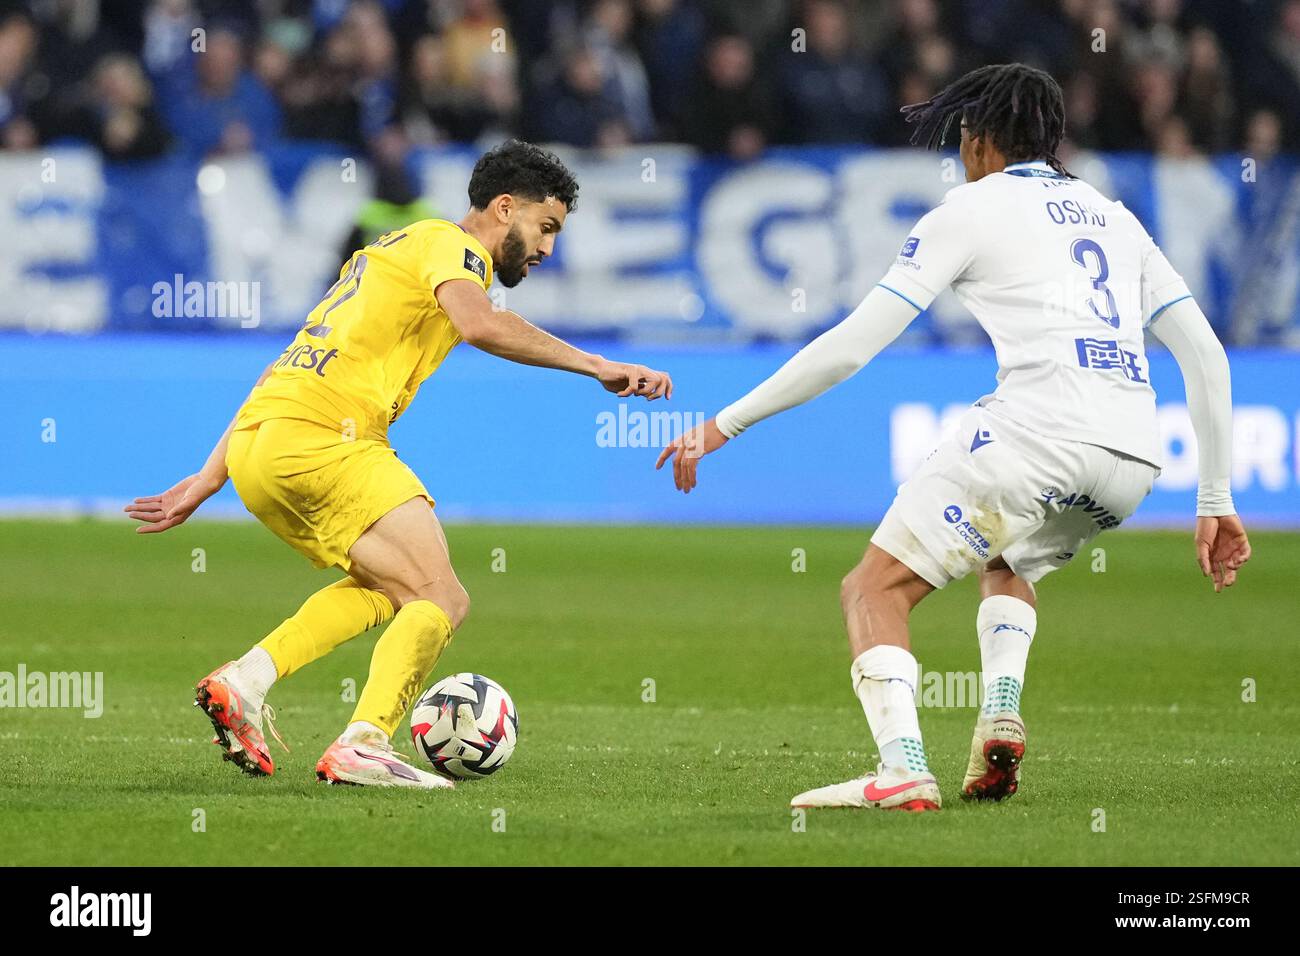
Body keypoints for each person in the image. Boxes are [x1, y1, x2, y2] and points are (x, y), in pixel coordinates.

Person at [656, 64, 1249, 812]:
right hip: (1130, 459)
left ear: (980, 140)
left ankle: (901, 768)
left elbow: (851, 346)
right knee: (1006, 553)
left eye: (961, 136)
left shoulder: (967, 210)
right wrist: (1216, 495)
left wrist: (723, 424)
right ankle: (999, 712)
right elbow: (1206, 355)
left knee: (873, 589)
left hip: (1037, 433)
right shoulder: (1116, 216)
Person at [127, 140, 673, 789]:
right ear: (504, 208)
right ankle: (365, 742)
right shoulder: (454, 247)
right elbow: (480, 324)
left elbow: (293, 360)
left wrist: (212, 476)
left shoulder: (384, 250)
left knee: (391, 590)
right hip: (330, 438)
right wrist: (598, 364)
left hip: (263, 445)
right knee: (442, 596)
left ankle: (246, 680)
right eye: (545, 226)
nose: (548, 247)